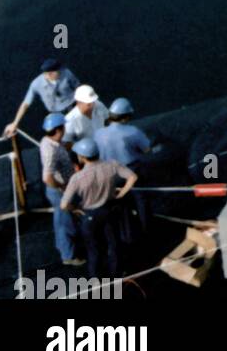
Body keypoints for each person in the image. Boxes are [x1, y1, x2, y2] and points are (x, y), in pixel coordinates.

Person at [60, 137, 137, 278]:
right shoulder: (112, 165)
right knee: (114, 244)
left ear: (82, 157)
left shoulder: (77, 178)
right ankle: (117, 274)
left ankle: (96, 279)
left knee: (94, 250)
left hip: (89, 216)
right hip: (109, 210)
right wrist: (122, 193)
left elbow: (64, 205)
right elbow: (132, 177)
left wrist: (74, 209)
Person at [96, 99, 152, 235]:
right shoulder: (132, 131)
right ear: (126, 117)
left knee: (120, 203)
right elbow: (147, 149)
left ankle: (125, 233)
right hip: (131, 170)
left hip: (109, 173)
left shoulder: (98, 133)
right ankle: (146, 230)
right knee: (141, 200)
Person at [39, 113, 84, 267]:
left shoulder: (47, 141)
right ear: (58, 130)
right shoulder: (51, 151)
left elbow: (61, 147)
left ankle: (61, 246)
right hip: (58, 191)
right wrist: (61, 187)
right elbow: (47, 177)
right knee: (67, 222)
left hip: (56, 191)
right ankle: (69, 256)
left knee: (59, 220)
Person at [4, 58, 81, 137]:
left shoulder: (66, 73)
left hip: (72, 107)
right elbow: (25, 103)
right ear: (49, 74)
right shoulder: (36, 84)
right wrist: (15, 123)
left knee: (80, 130)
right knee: (64, 135)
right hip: (56, 113)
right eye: (57, 71)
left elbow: (79, 88)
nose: (60, 72)